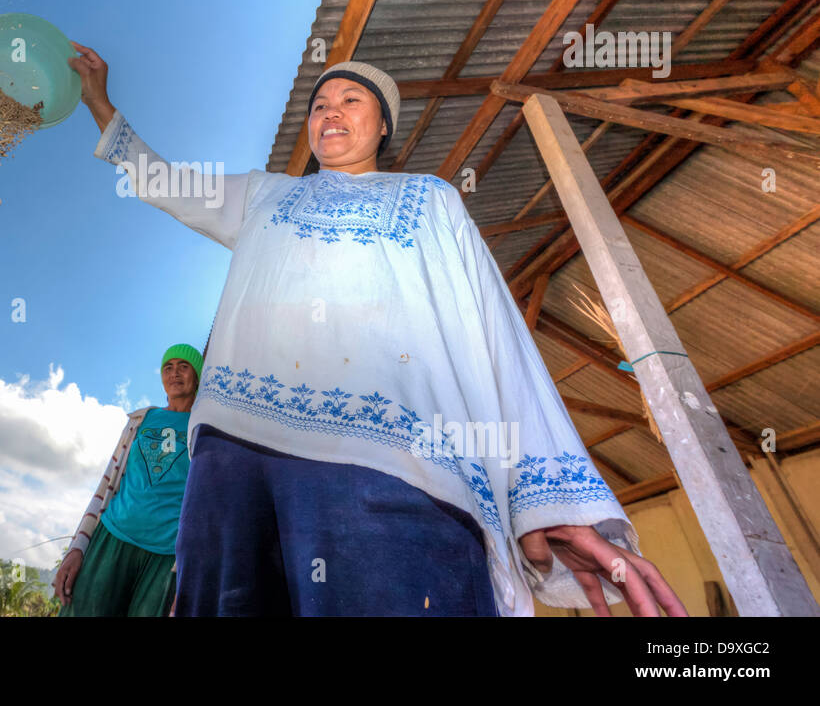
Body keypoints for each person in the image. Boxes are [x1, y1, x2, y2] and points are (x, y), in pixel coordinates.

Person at [67, 41, 688, 618]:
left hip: (390, 466)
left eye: (349, 100)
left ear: (384, 124)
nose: (328, 113)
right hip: (233, 454)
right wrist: (99, 102)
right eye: (319, 105)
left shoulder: (431, 199)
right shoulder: (265, 195)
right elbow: (164, 184)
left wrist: (541, 497)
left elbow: (493, 334)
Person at [53, 343, 202, 616]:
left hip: (166, 556)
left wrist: (190, 578)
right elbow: (107, 483)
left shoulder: (204, 430)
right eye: (168, 367)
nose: (175, 373)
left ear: (197, 375)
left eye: (184, 366)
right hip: (112, 537)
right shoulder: (141, 419)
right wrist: (77, 549)